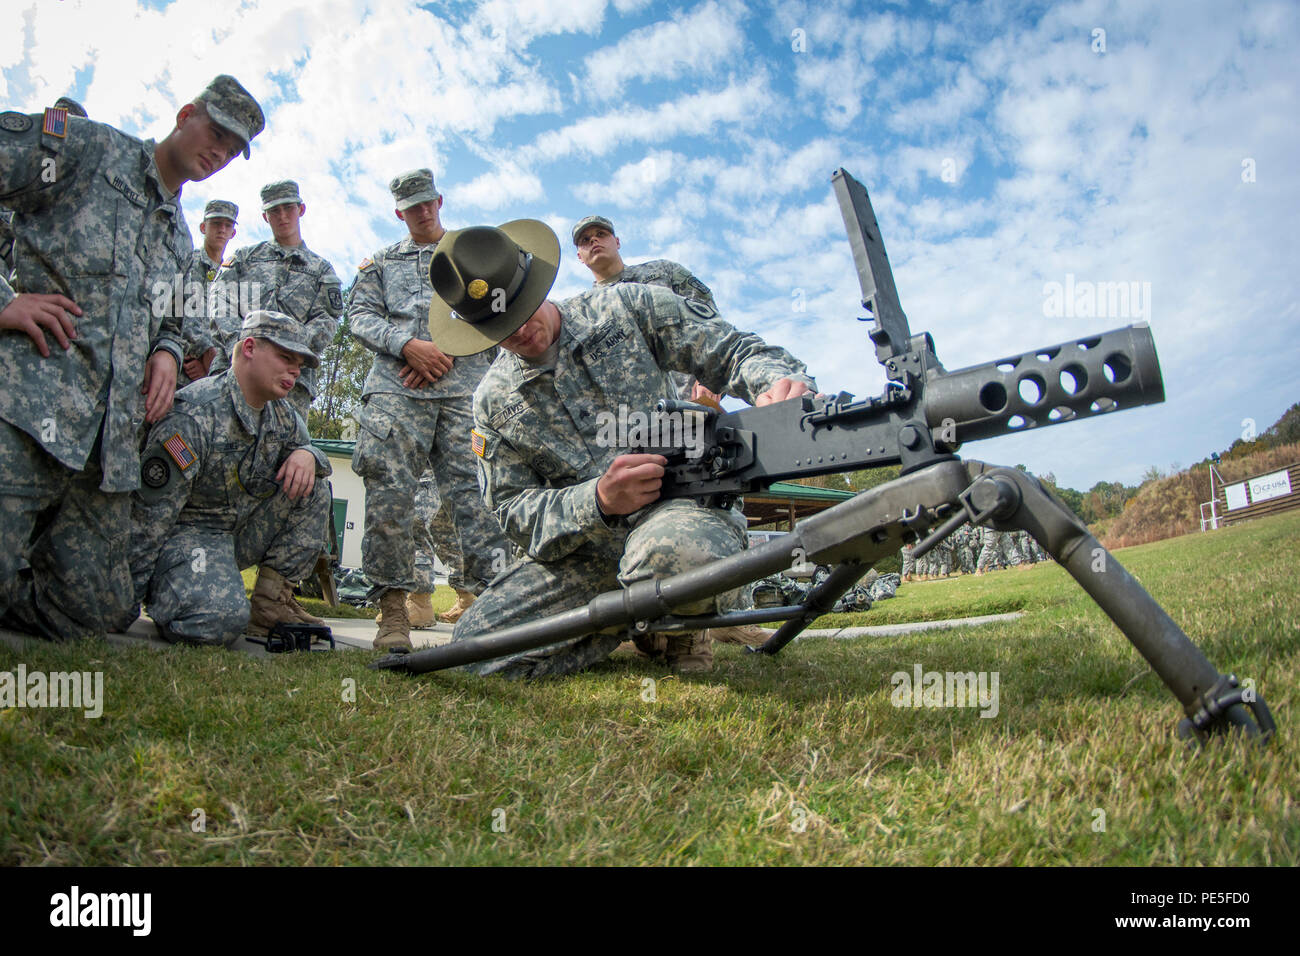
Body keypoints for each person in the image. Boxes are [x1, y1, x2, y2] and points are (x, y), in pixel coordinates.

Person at [427, 220, 816, 677]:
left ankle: (677, 623)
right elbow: (511, 509)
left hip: (678, 516)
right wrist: (595, 500)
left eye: (524, 308)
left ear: (535, 283)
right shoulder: (492, 400)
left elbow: (729, 349)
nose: (521, 331)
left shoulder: (624, 307)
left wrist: (779, 381)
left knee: (672, 559)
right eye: (500, 326)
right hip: (585, 550)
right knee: (470, 650)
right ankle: (636, 620)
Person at [0, 74, 264, 641]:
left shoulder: (179, 239)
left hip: (103, 453)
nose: (218, 153)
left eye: (231, 149)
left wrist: (167, 351)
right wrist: (6, 300)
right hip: (25, 420)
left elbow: (172, 316)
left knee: (96, 612)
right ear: (185, 113)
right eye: (214, 132)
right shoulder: (88, 149)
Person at [347, 168, 512, 651]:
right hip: (397, 392)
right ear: (398, 211)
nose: (421, 212)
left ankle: (494, 608)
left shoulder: (473, 255)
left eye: (427, 202)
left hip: (463, 394)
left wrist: (441, 353)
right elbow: (359, 316)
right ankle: (394, 612)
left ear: (440, 200)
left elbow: (500, 311)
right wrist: (406, 346)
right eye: (411, 206)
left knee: (481, 499)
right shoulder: (378, 264)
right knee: (390, 501)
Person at [123, 311, 332, 646]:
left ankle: (269, 605)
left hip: (235, 536)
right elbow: (150, 517)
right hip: (187, 540)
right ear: (248, 347)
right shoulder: (195, 413)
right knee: (219, 621)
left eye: (299, 363)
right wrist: (126, 598)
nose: (295, 370)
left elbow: (309, 450)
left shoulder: (281, 415)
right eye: (285, 357)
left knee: (313, 483)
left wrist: (308, 454)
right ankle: (179, 595)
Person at [209, 180, 342, 420]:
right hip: (235, 372)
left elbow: (327, 320)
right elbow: (220, 302)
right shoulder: (244, 259)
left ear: (300, 209)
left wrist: (283, 352)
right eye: (274, 211)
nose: (282, 216)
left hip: (291, 382)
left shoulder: (321, 269)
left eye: (288, 208)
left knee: (283, 452)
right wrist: (241, 349)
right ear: (264, 217)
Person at [177, 198, 238, 387]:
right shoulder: (185, 262)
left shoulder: (234, 276)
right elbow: (172, 312)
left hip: (216, 373)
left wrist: (212, 368)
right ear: (203, 227)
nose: (222, 229)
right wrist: (203, 353)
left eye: (227, 225)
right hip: (179, 362)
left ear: (233, 233)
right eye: (216, 224)